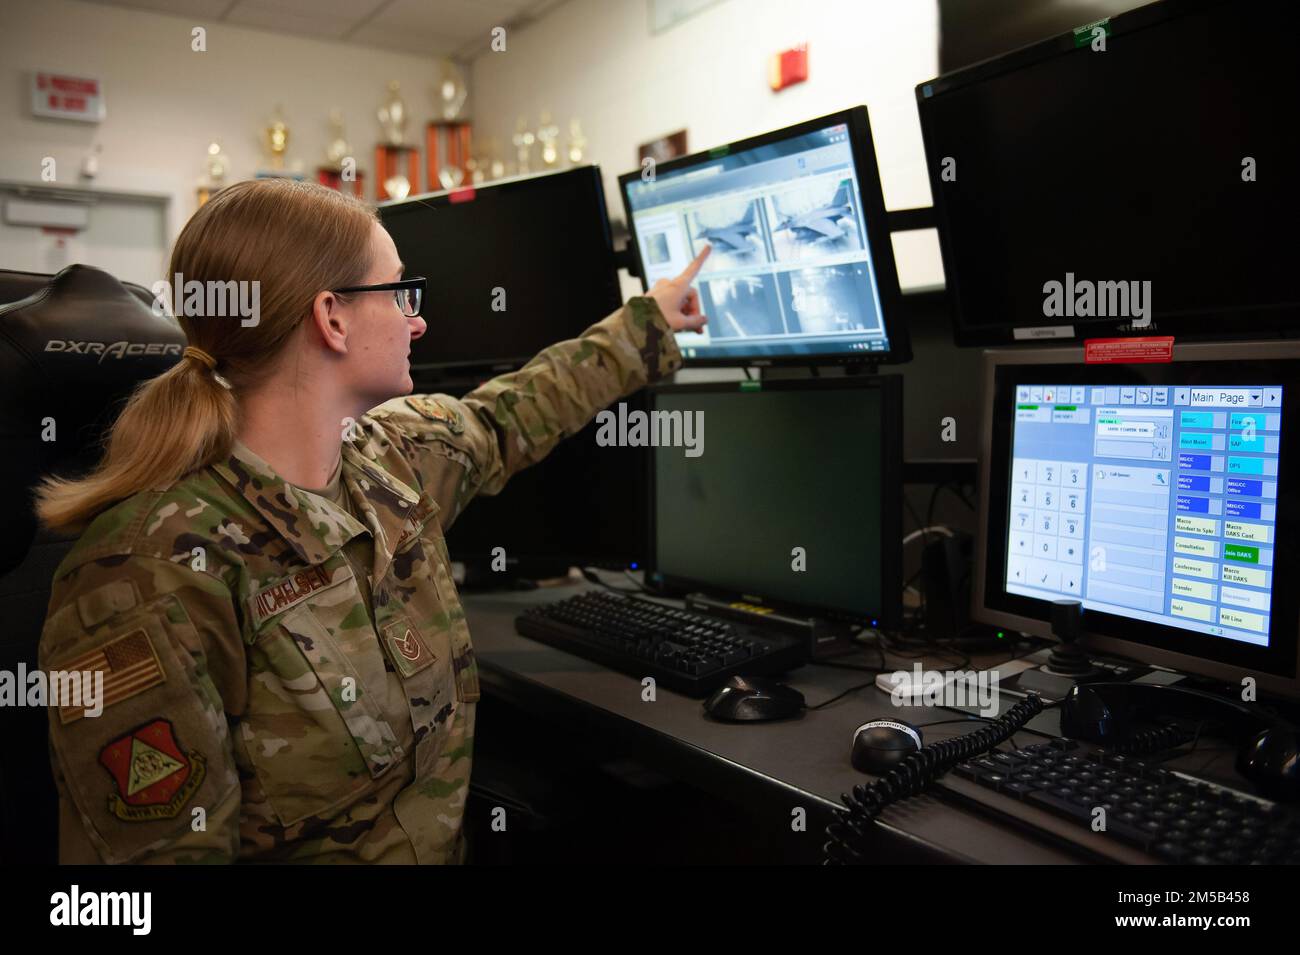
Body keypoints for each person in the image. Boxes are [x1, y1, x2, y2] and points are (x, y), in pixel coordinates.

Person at [34, 177, 710, 863]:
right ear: (332, 317)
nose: (416, 320)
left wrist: (648, 322)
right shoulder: (146, 576)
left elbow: (510, 415)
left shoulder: (391, 457)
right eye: (399, 291)